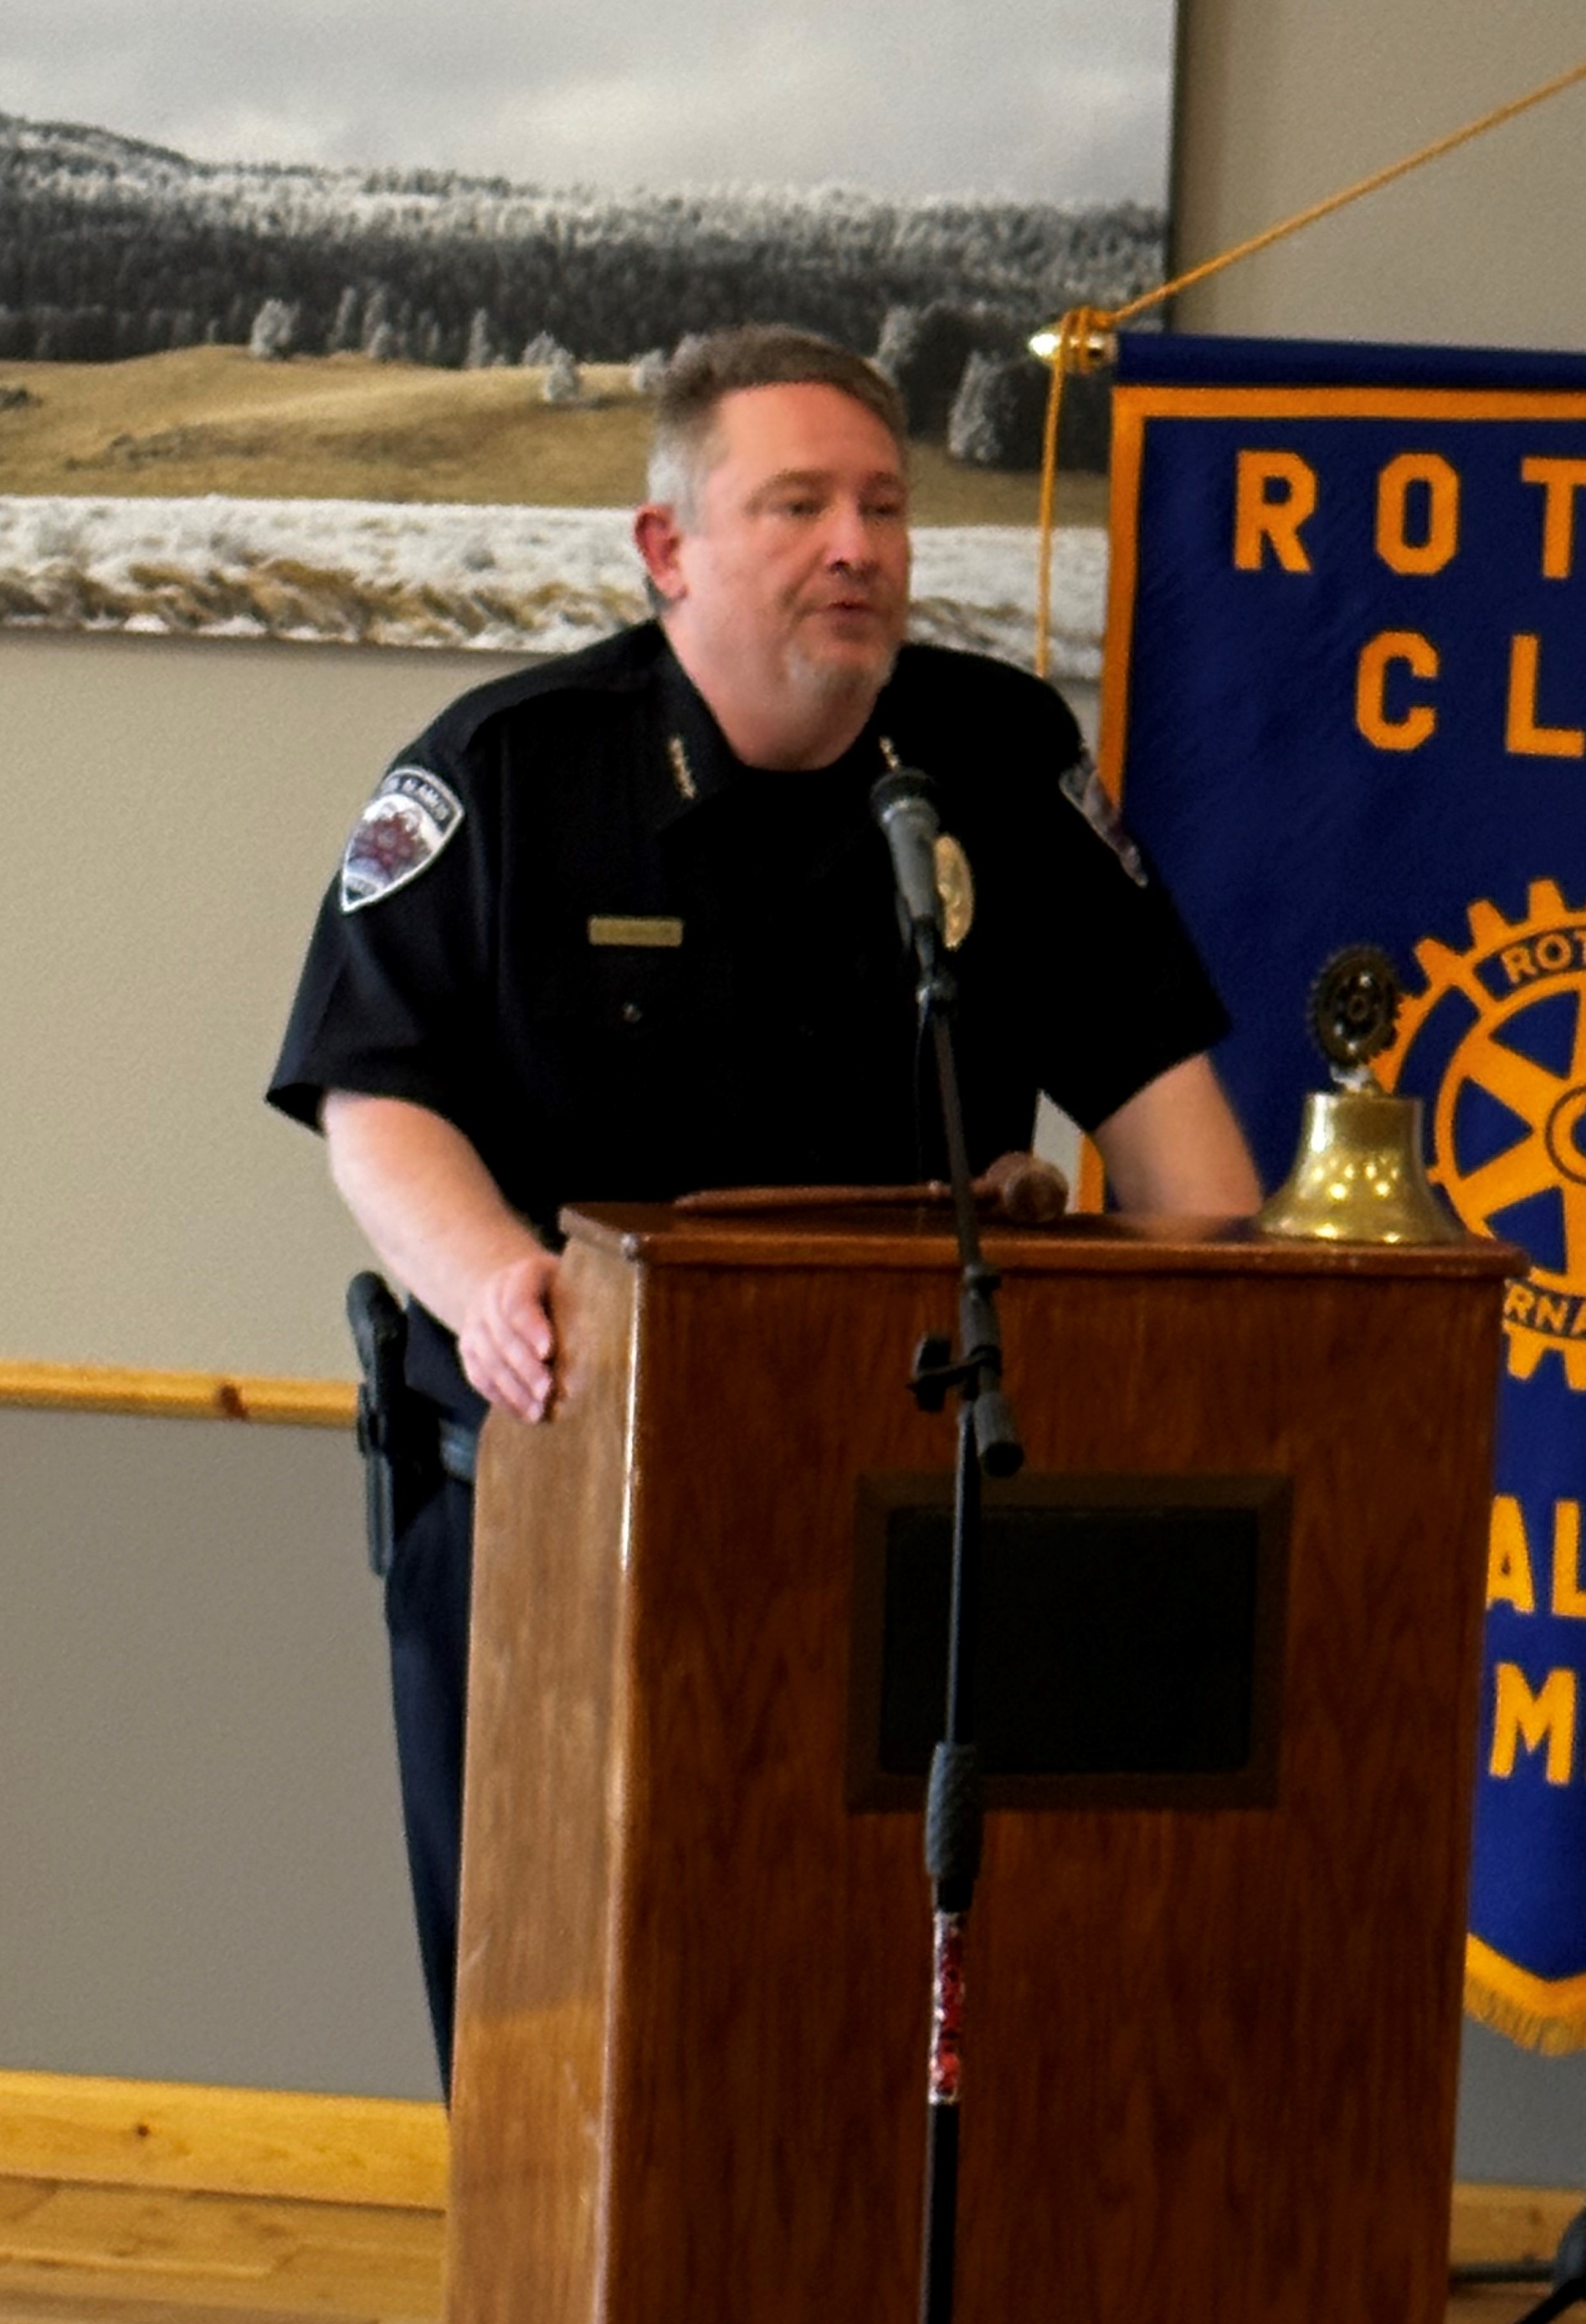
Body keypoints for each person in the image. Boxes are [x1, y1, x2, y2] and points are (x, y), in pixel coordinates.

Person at [268, 325, 1261, 2086]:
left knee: (872, 2035)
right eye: (795, 504)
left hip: (907, 1512)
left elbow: (1191, 1168)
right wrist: (500, 1281)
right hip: (557, 1488)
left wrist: (1129, 1292)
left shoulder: (996, 757)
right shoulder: (508, 769)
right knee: (561, 2033)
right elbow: (372, 1097)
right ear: (669, 550)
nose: (859, 545)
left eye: (882, 505)